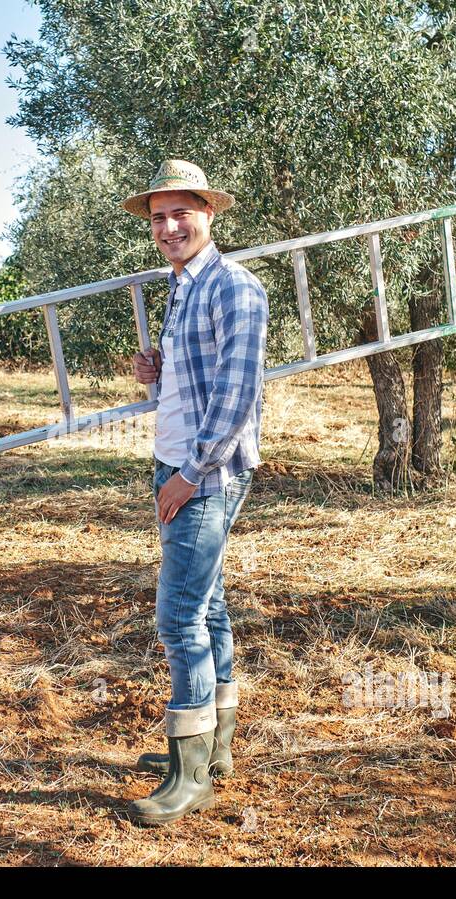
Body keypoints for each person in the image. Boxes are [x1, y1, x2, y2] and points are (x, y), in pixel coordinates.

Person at [121, 159, 269, 825]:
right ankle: (215, 752)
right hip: (178, 461)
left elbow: (238, 399)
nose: (170, 226)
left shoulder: (234, 287)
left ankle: (191, 773)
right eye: (159, 217)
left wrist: (187, 477)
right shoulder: (181, 287)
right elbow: (198, 382)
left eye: (182, 212)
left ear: (209, 214)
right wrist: (156, 372)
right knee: (206, 606)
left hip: (205, 472)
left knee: (178, 615)